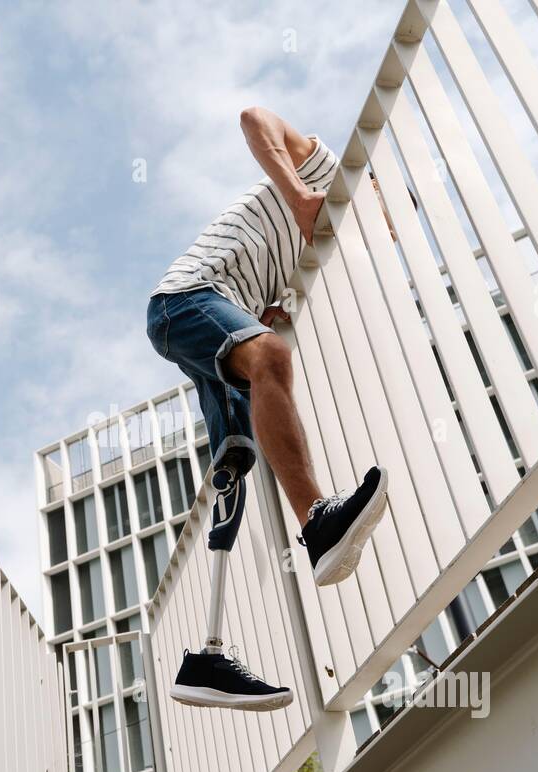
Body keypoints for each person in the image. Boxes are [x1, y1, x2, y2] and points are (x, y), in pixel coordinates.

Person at [147, 106, 389, 711]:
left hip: (215, 313)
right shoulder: (322, 169)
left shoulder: (306, 261)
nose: (377, 227)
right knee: (272, 359)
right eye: (384, 210)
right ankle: (319, 522)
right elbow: (255, 118)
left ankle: (206, 653)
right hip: (186, 299)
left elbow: (265, 312)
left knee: (236, 459)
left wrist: (266, 314)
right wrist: (302, 197)